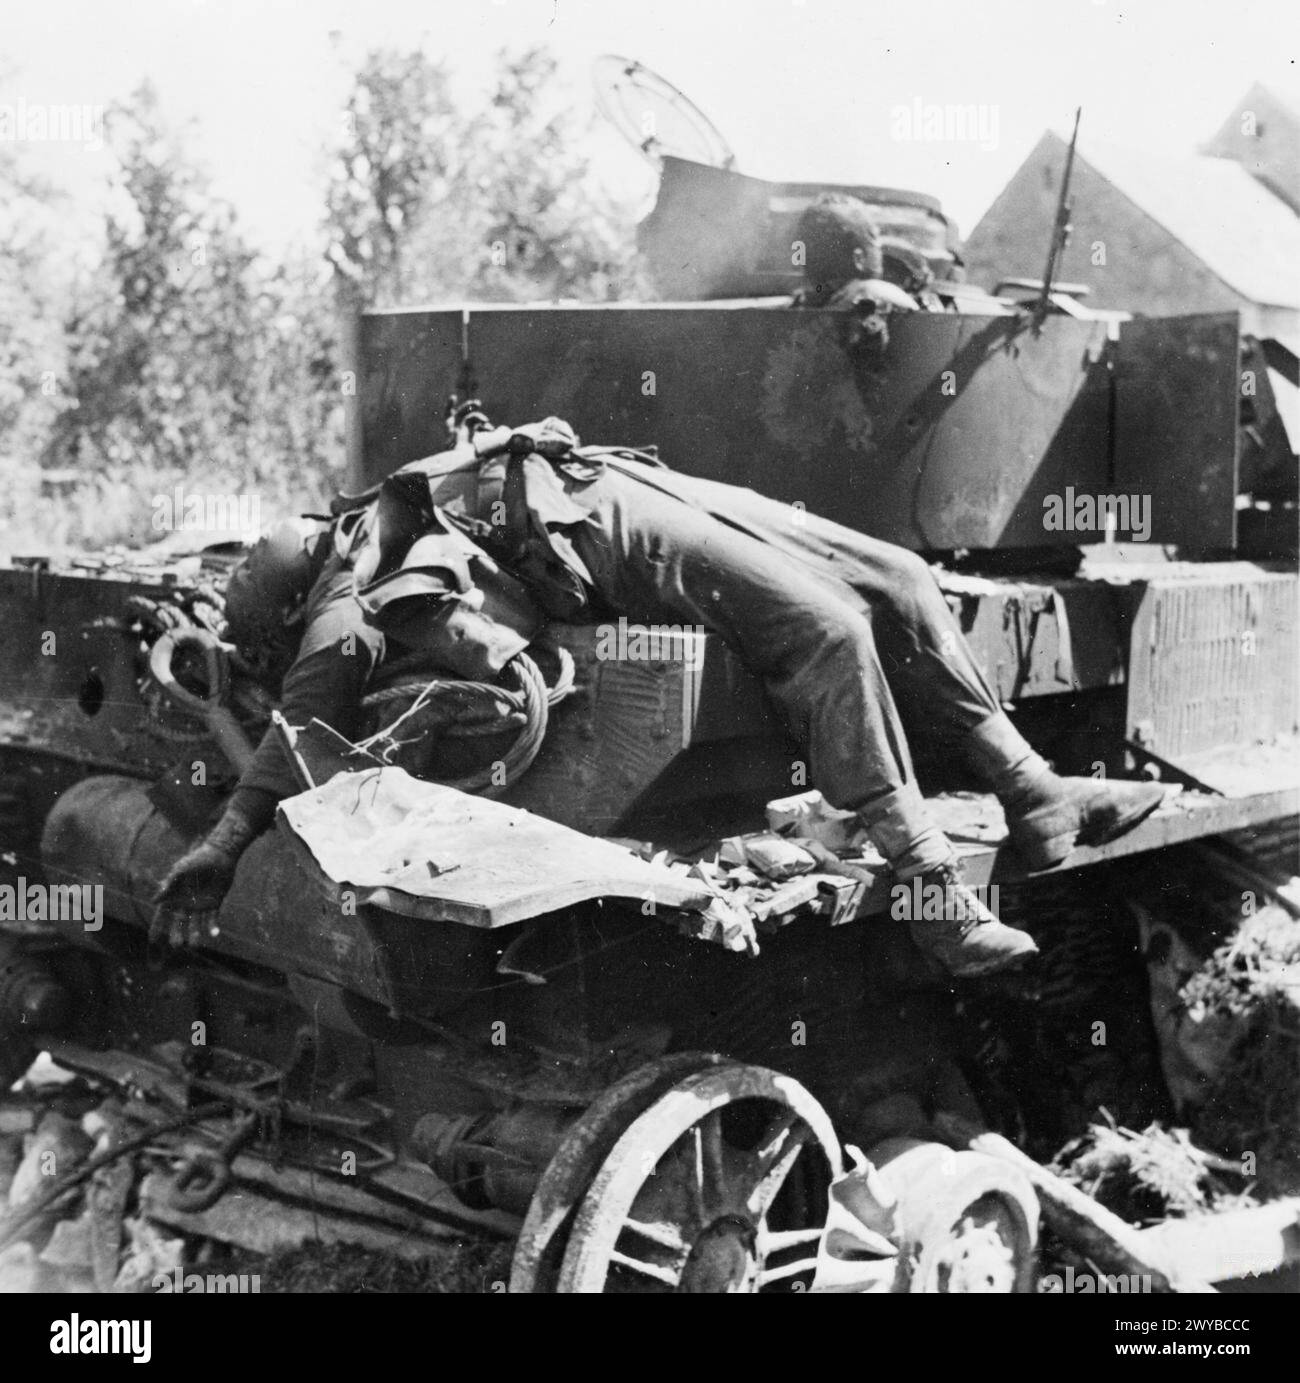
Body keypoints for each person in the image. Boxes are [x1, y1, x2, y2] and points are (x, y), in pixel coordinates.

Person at [155, 407, 1165, 977]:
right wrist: (221, 844)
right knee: (830, 631)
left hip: (607, 482)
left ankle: (1035, 796)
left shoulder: (358, 517)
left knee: (896, 577)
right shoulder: (343, 605)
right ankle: (937, 899)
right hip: (597, 537)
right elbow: (299, 729)